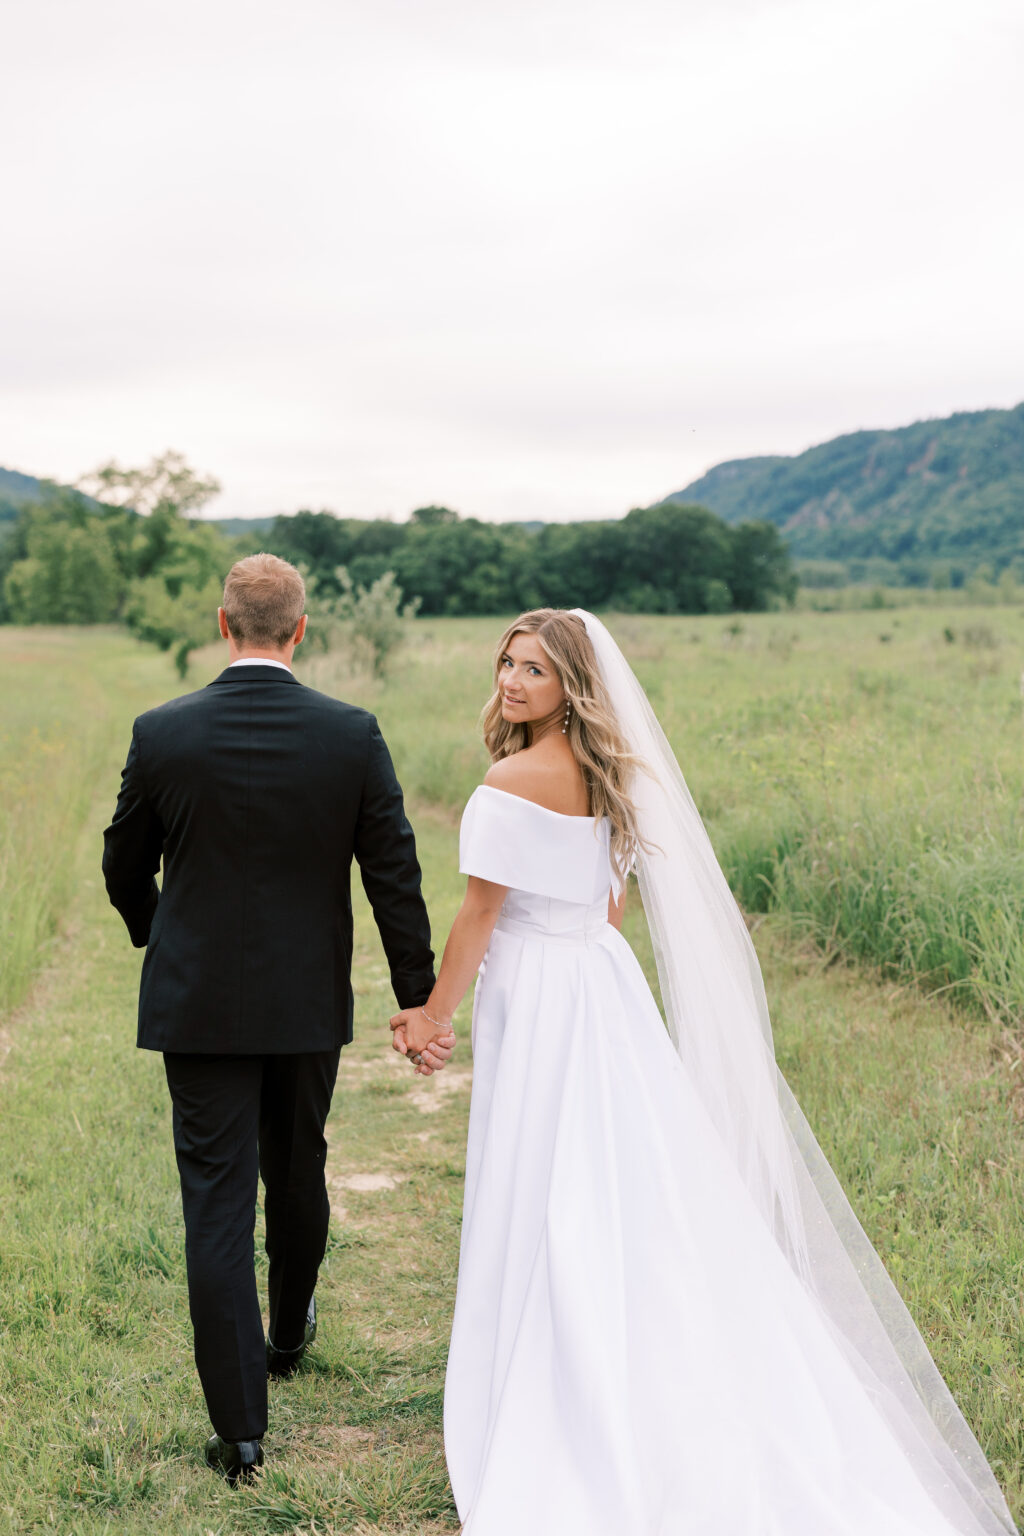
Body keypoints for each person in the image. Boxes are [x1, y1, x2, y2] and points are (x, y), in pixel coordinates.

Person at [389, 608, 1015, 1536]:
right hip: (600, 987)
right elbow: (607, 910)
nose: (514, 682)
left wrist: (432, 1017)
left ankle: (559, 1372)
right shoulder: (611, 776)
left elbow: (481, 914)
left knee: (544, 1175)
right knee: (625, 1178)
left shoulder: (509, 779)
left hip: (540, 991)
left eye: (536, 671)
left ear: (571, 686)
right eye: (507, 664)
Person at [102, 552, 454, 1486]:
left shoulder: (163, 732)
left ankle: (240, 1434)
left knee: (216, 1203)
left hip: (197, 1003)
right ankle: (290, 1330)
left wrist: (156, 929)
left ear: (224, 624)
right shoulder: (350, 734)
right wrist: (414, 993)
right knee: (299, 1169)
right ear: (301, 630)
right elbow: (394, 873)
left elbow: (120, 860)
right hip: (306, 1005)